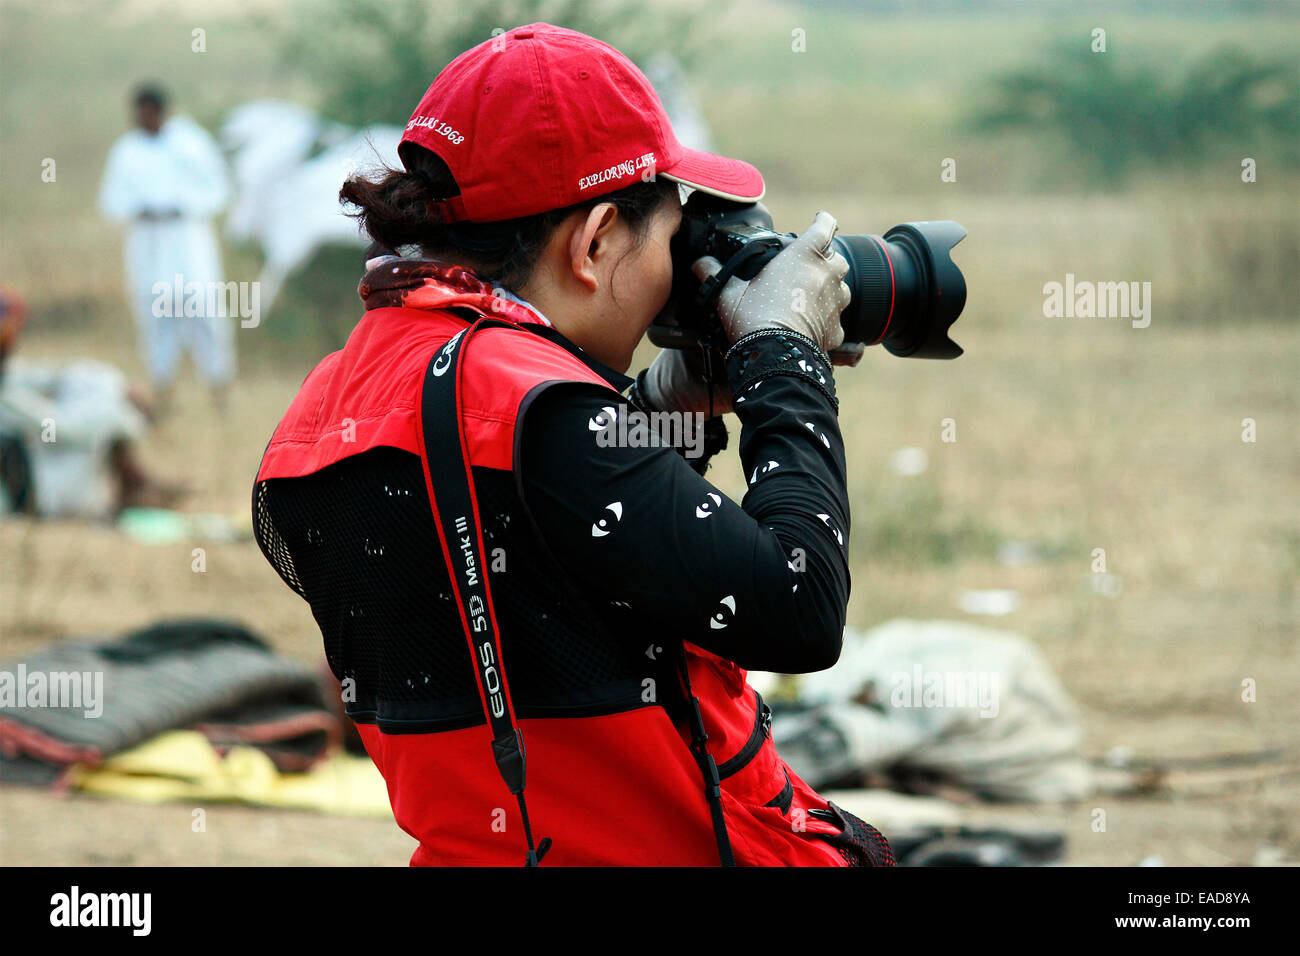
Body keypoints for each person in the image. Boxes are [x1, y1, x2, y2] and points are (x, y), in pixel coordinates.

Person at [252, 23, 894, 867]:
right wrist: (783, 359)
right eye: (669, 240)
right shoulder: (539, 409)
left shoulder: (332, 401)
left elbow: (569, 596)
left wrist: (656, 409)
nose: (676, 274)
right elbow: (798, 609)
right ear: (592, 244)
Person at [98, 84, 234, 411]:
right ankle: (162, 396)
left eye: (150, 112)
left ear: (162, 111)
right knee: (155, 317)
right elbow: (111, 200)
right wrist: (139, 209)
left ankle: (220, 391)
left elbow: (218, 189)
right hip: (148, 243)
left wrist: (184, 206)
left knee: (204, 312)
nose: (145, 118)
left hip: (187, 239)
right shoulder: (127, 150)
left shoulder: (191, 142)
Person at [0, 286, 183, 519]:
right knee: (100, 429)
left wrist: (119, 388)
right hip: (29, 492)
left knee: (99, 394)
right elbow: (63, 427)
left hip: (37, 474)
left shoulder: (10, 380)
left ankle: (139, 487)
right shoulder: (7, 398)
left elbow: (56, 376)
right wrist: (129, 416)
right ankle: (137, 489)